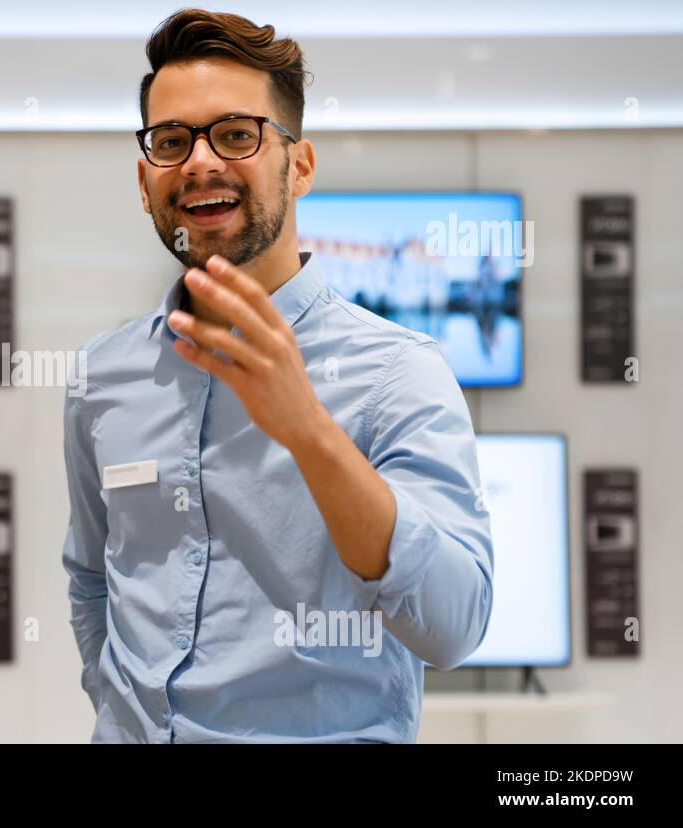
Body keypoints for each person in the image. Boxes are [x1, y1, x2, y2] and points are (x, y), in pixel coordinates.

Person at [61, 9, 493, 743]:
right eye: (172, 141)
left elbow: (456, 626)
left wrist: (309, 431)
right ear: (145, 180)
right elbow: (93, 578)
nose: (200, 162)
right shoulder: (103, 375)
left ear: (300, 165)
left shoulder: (398, 372)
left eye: (236, 134)